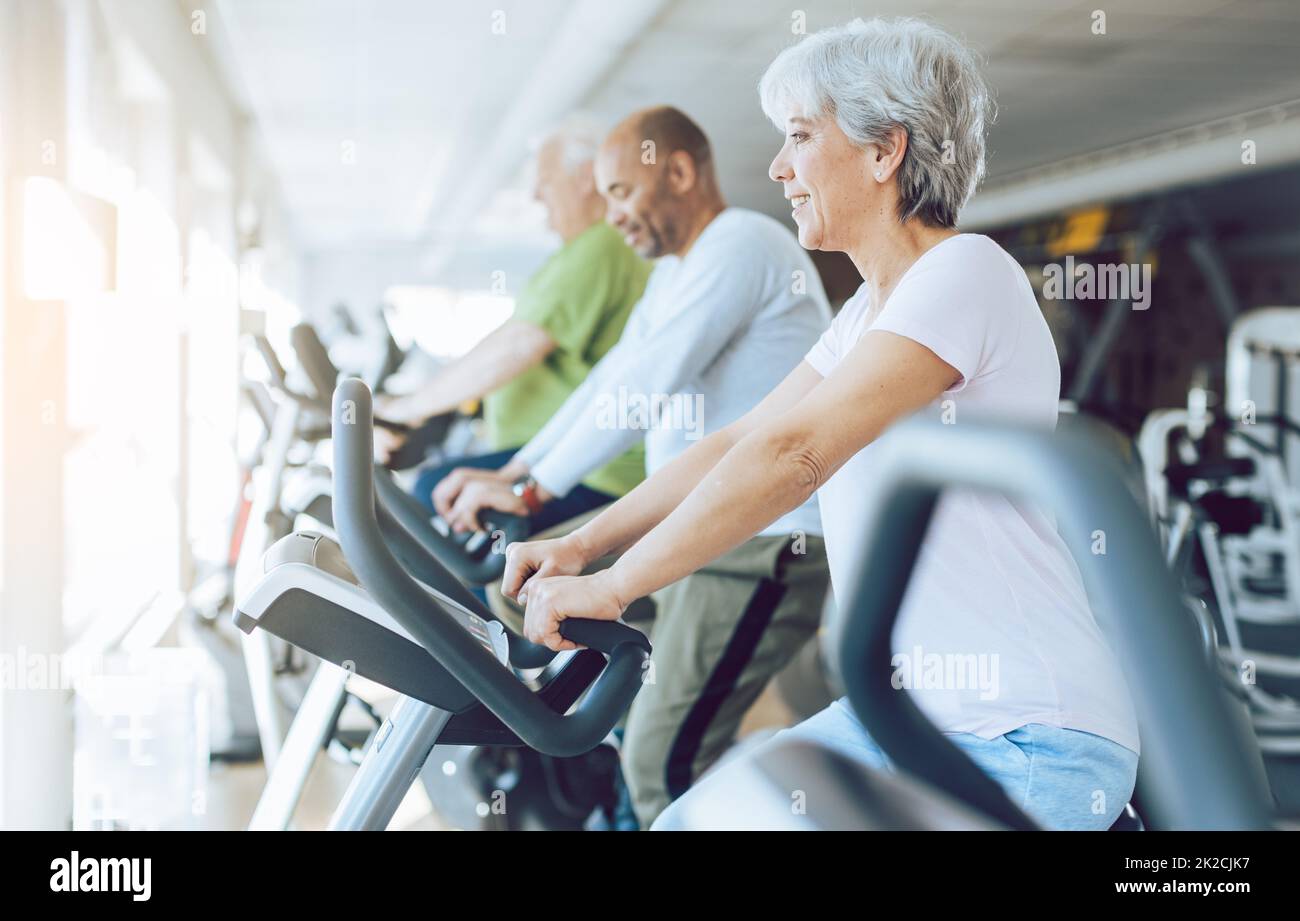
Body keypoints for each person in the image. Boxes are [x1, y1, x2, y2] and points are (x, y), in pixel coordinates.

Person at [504, 19, 1140, 832]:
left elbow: (796, 453)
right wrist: (584, 545)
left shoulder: (964, 271)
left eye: (800, 136)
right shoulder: (866, 313)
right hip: (914, 719)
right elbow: (735, 441)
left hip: (1025, 732)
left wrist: (616, 587)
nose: (778, 167)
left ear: (885, 151)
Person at [441, 106, 832, 828]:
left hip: (763, 544)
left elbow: (643, 386)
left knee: (661, 762)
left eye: (621, 192)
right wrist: (518, 472)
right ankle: (626, 768)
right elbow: (609, 378)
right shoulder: (674, 274)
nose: (612, 215)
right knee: (527, 591)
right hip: (695, 529)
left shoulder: (742, 244)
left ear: (680, 172)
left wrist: (532, 489)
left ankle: (653, 782)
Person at [376, 117, 649, 532]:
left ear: (585, 180)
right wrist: (416, 402)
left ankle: (467, 600)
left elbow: (519, 345)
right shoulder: (580, 251)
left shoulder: (602, 246)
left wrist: (408, 411)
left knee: (434, 490)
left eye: (545, 180)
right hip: (550, 450)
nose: (536, 194)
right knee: (440, 492)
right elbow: (508, 337)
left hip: (598, 470)